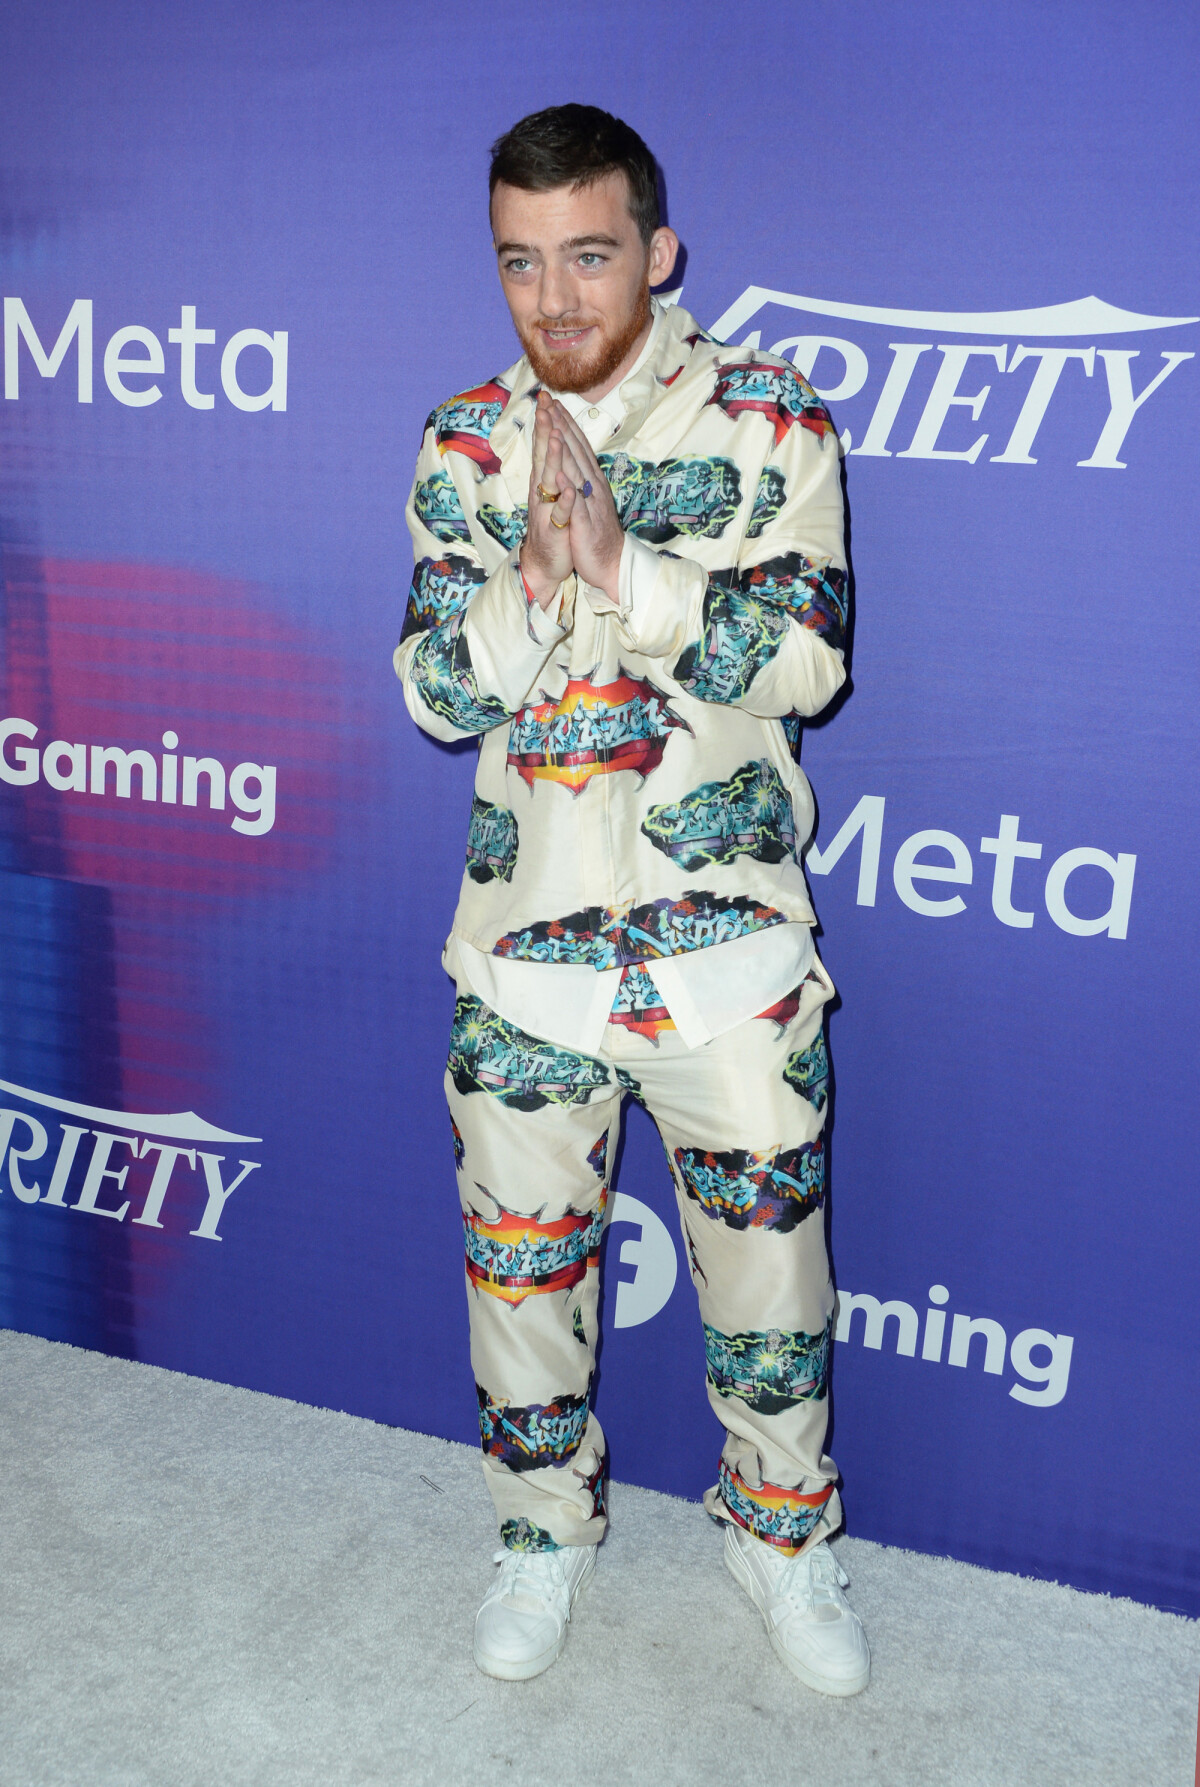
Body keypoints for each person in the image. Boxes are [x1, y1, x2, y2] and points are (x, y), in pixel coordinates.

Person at [395, 103, 869, 1697]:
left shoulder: (774, 419)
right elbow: (431, 696)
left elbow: (809, 659)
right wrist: (527, 588)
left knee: (770, 1290)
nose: (555, 301)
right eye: (521, 264)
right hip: (523, 957)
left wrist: (630, 577)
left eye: (589, 257)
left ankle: (783, 1541)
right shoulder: (465, 443)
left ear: (657, 253)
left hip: (729, 950)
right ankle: (541, 1537)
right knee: (519, 1289)